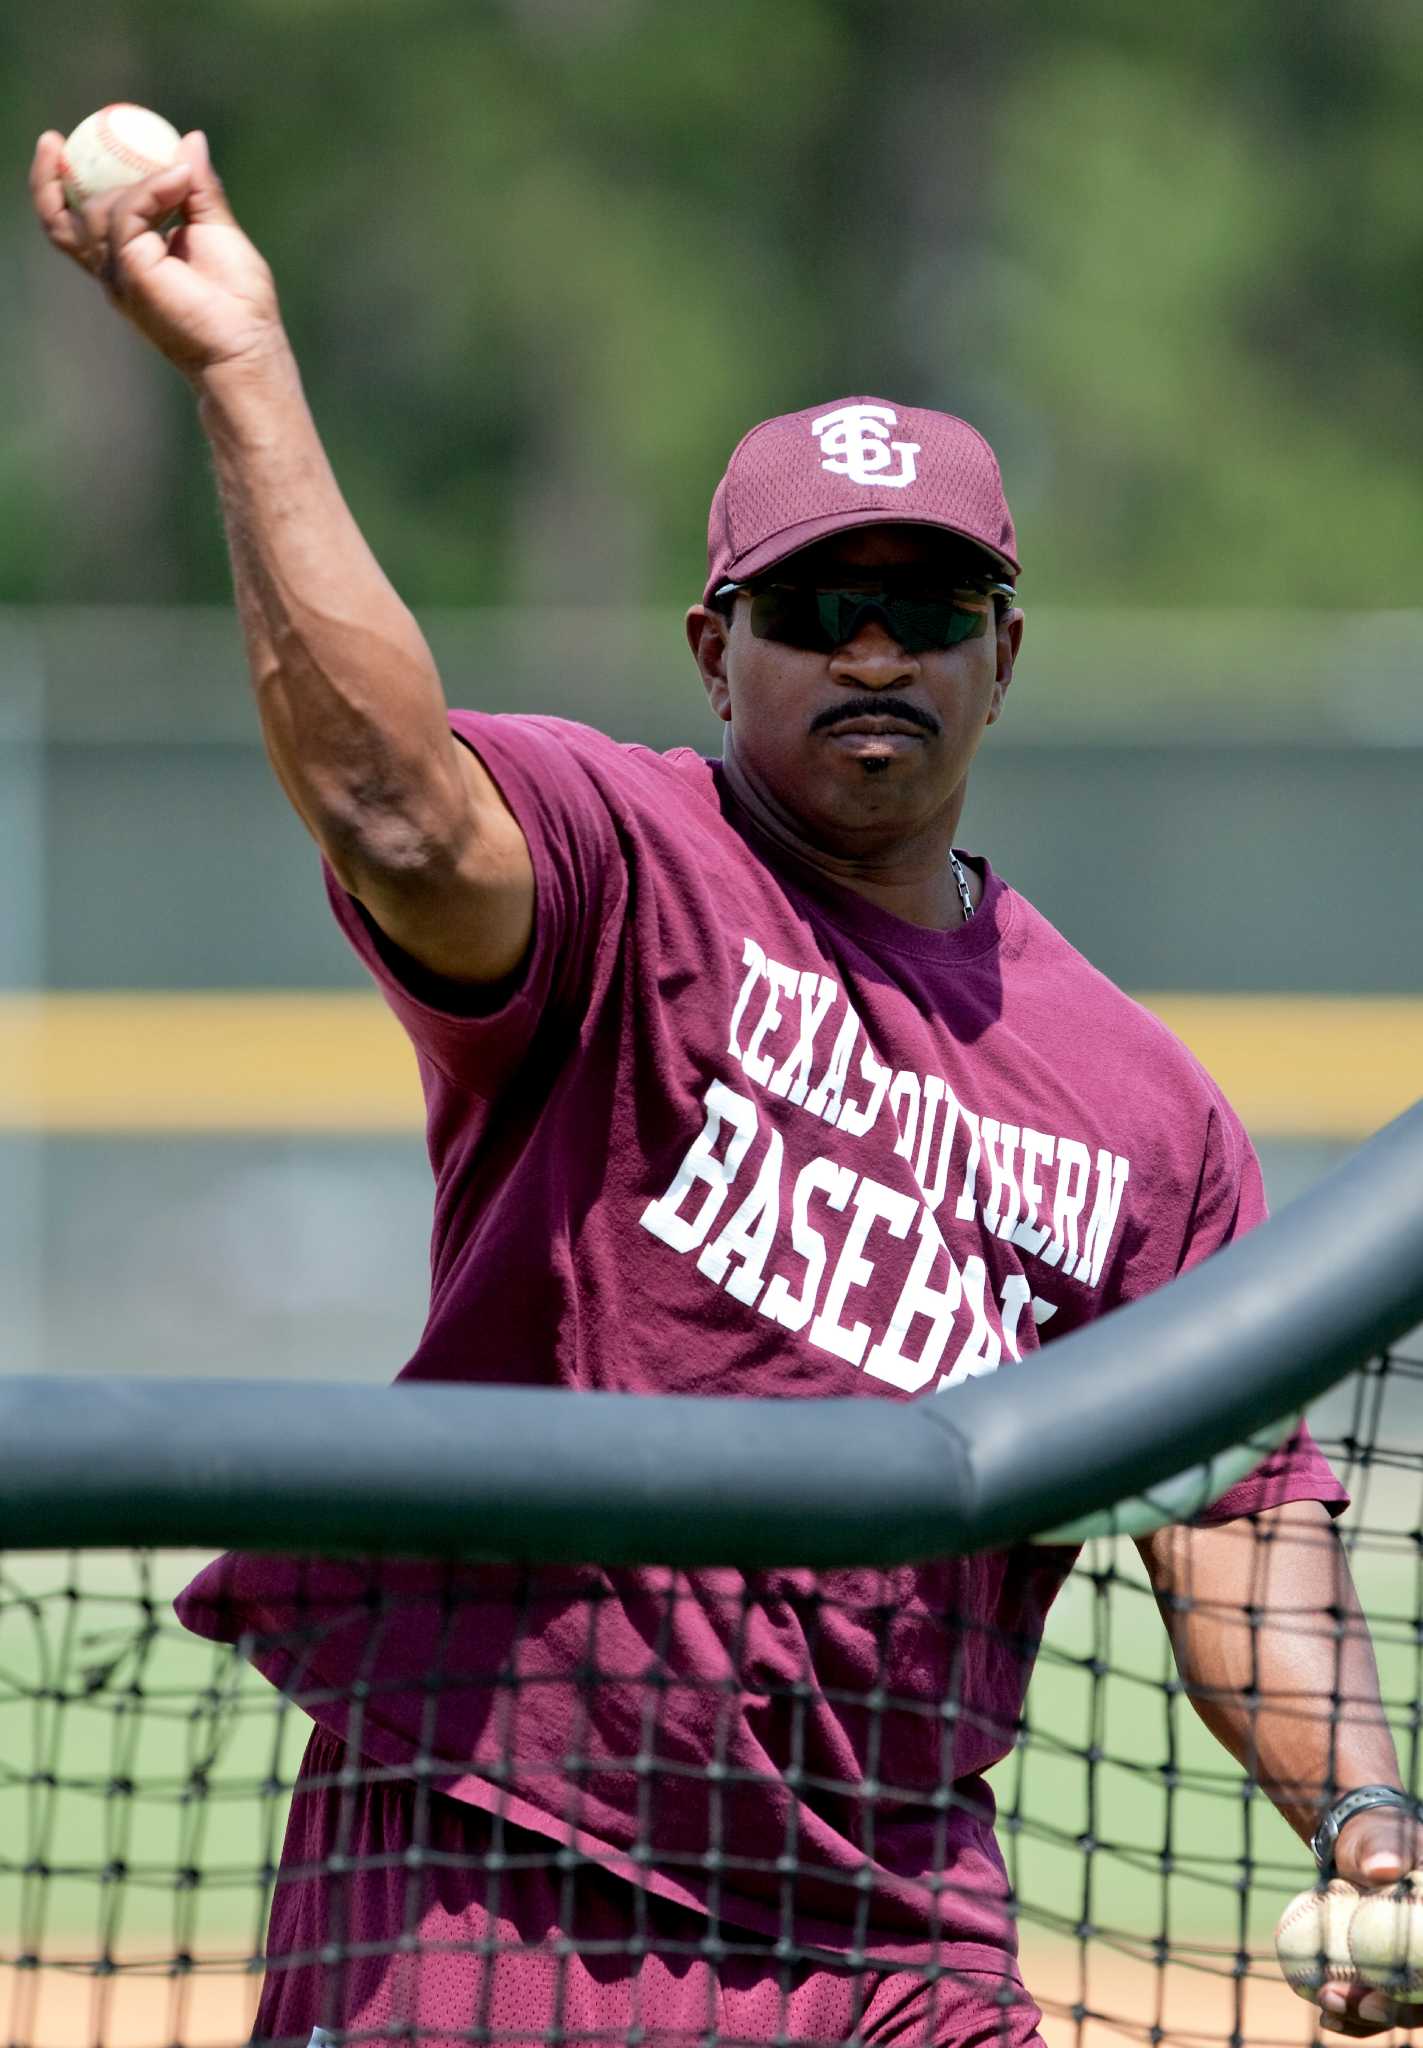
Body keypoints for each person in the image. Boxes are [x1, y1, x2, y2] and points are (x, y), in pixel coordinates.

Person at [31, 129, 1423, 2048]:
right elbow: (385, 801)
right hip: (493, 1849)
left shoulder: (1143, 1109)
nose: (874, 649)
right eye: (814, 607)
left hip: (886, 1926)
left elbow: (1243, 1513)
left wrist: (1370, 1825)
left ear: (1001, 658)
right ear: (716, 649)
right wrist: (243, 368)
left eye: (927, 610)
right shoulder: (629, 864)